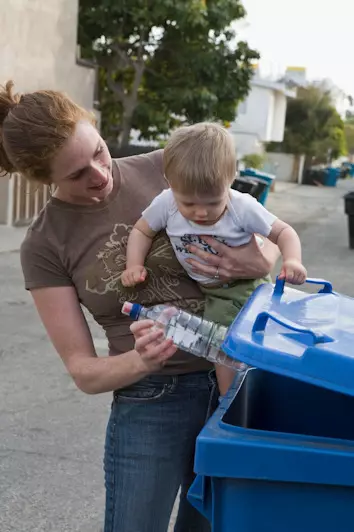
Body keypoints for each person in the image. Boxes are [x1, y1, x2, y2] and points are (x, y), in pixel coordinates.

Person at [0, 80, 280, 532]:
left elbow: (263, 235)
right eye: (76, 174)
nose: (99, 174)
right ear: (43, 179)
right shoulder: (45, 244)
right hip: (154, 403)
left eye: (98, 151)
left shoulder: (163, 167)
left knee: (215, 525)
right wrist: (140, 359)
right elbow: (83, 371)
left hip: (235, 384)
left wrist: (255, 257)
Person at [121, 122, 307, 395]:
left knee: (224, 343)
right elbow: (141, 230)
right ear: (170, 184)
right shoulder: (167, 202)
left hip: (240, 287)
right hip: (207, 287)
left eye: (212, 203)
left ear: (230, 180)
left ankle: (229, 400)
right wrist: (134, 265)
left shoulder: (241, 206)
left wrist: (293, 261)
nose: (201, 213)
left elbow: (284, 232)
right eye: (189, 204)